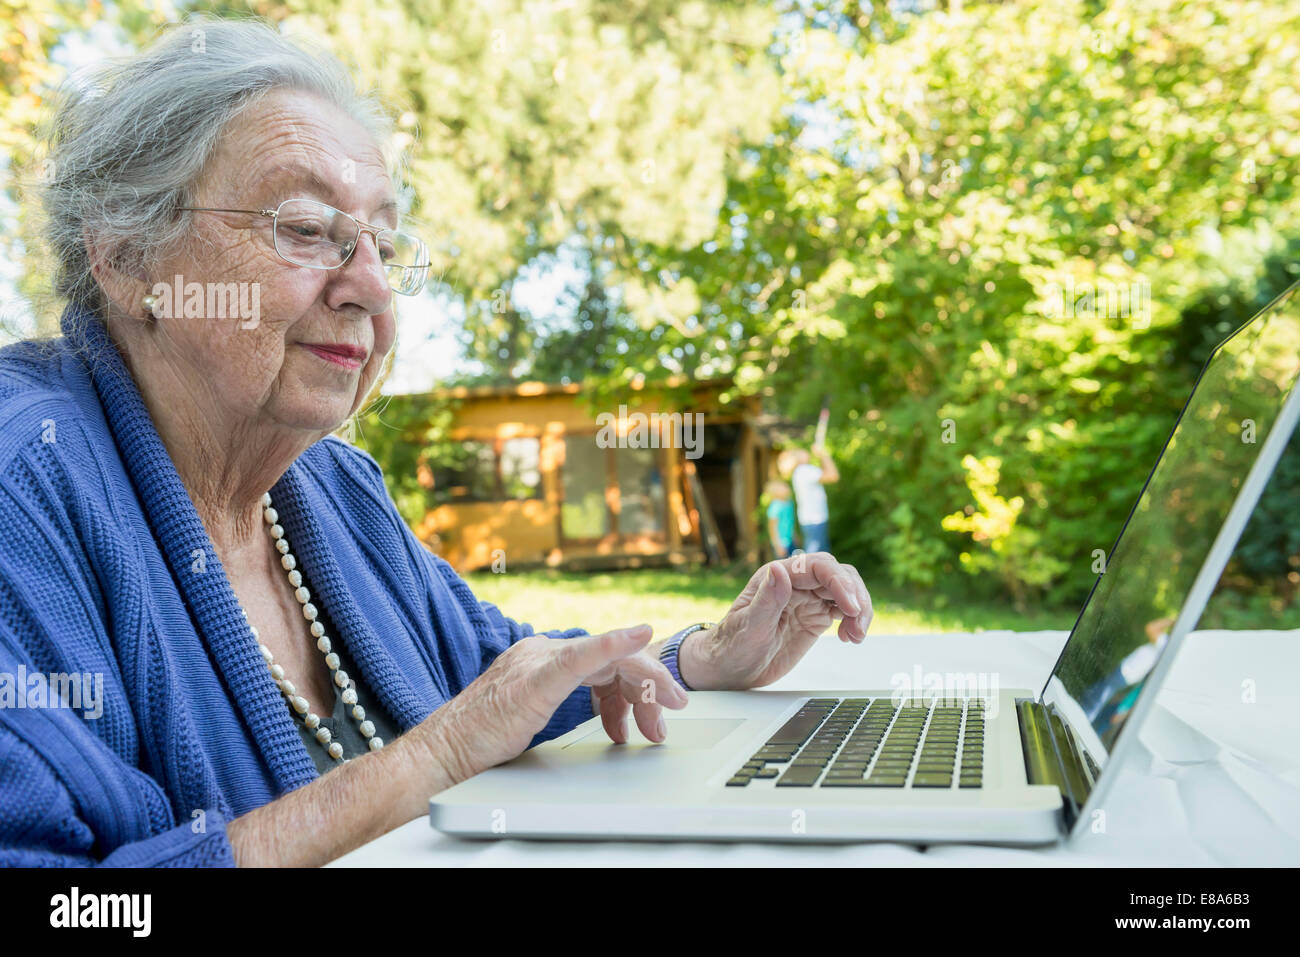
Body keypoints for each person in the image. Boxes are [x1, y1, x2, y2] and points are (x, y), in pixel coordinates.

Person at [0, 18, 873, 867]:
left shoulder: (330, 485)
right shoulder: (22, 482)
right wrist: (429, 761)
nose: (372, 286)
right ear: (125, 256)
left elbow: (491, 669)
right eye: (306, 229)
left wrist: (702, 655)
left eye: (383, 241)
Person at [778, 443, 840, 554]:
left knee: (819, 557)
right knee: (816, 557)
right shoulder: (805, 470)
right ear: (797, 458)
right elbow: (833, 476)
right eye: (801, 451)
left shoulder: (800, 472)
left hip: (810, 520)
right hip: (815, 520)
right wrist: (823, 455)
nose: (805, 451)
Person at [765, 479, 797, 558]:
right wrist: (778, 546)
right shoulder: (775, 507)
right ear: (775, 492)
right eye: (783, 488)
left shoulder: (789, 503)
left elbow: (790, 522)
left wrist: (794, 535)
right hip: (781, 543)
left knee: (795, 564)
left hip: (790, 540)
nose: (787, 489)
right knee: (784, 566)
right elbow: (772, 528)